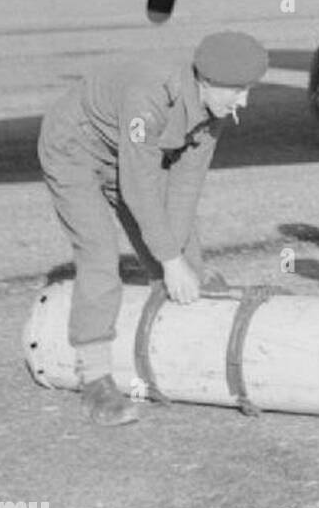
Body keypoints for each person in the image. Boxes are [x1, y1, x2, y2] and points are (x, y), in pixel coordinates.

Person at [37, 31, 268, 425]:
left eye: (248, 90)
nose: (243, 102)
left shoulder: (214, 113)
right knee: (99, 254)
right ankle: (95, 382)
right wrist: (169, 260)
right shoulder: (150, 96)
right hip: (75, 150)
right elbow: (139, 186)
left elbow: (183, 189)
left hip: (127, 158)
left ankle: (177, 349)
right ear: (206, 82)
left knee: (183, 262)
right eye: (238, 90)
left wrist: (178, 263)